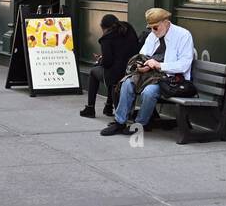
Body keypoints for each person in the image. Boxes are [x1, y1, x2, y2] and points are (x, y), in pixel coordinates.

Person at [100, 8, 194, 137]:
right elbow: (143, 54)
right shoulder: (153, 35)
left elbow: (184, 65)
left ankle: (140, 125)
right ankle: (119, 122)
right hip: (150, 75)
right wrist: (140, 65)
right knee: (127, 83)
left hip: (170, 79)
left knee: (149, 92)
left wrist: (159, 65)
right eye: (151, 28)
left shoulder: (183, 35)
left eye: (155, 28)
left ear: (166, 22)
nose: (153, 31)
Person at [81, 14, 140, 118]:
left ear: (103, 27)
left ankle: (90, 108)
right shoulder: (128, 28)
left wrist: (100, 60)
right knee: (111, 71)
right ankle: (108, 106)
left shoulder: (106, 39)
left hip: (117, 74)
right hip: (131, 71)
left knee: (94, 72)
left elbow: (107, 62)